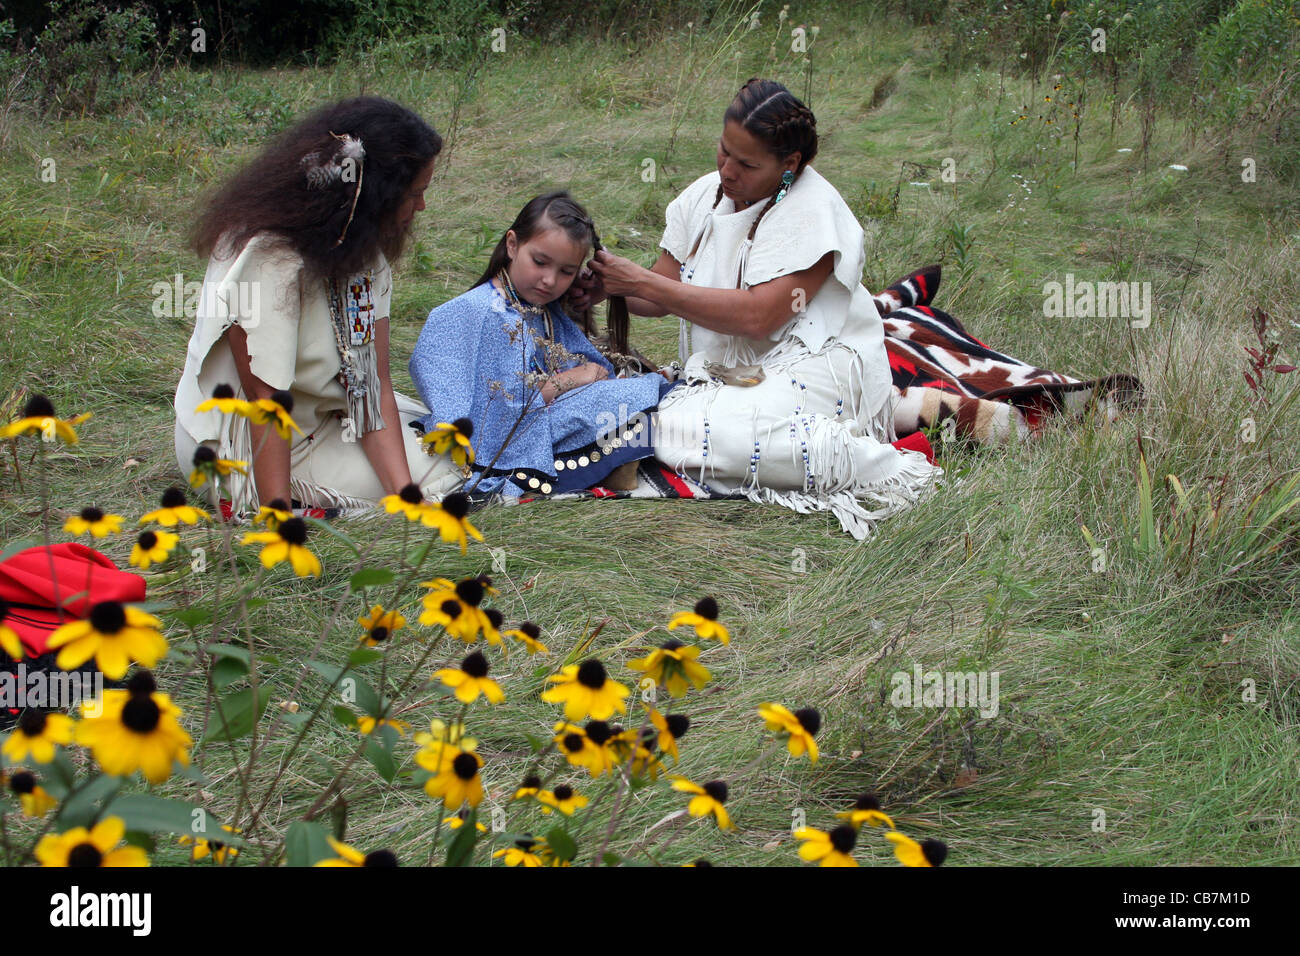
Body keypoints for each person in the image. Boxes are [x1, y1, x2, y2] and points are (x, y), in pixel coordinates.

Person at [581, 78, 941, 538]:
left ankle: (883, 466)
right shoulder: (705, 195)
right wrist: (602, 288)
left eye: (746, 163)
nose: (727, 170)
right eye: (723, 150)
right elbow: (656, 293)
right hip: (734, 375)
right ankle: (750, 425)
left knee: (677, 431)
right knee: (670, 428)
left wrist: (642, 281)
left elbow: (761, 316)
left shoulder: (814, 210)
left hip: (815, 366)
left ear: (789, 164)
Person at [173, 97, 462, 517]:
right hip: (239, 449)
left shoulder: (363, 258)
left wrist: (403, 496)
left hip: (321, 420)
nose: (421, 207)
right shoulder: (269, 260)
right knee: (448, 470)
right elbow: (265, 402)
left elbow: (369, 387)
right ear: (374, 196)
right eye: (414, 193)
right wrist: (276, 516)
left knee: (445, 440)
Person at [408, 192, 675, 498]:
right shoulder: (474, 312)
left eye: (566, 272)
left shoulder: (541, 309)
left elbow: (592, 371)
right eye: (540, 262)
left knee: (644, 394)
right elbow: (495, 415)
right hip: (509, 440)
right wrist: (575, 378)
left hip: (551, 418)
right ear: (512, 245)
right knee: (636, 400)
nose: (549, 280)